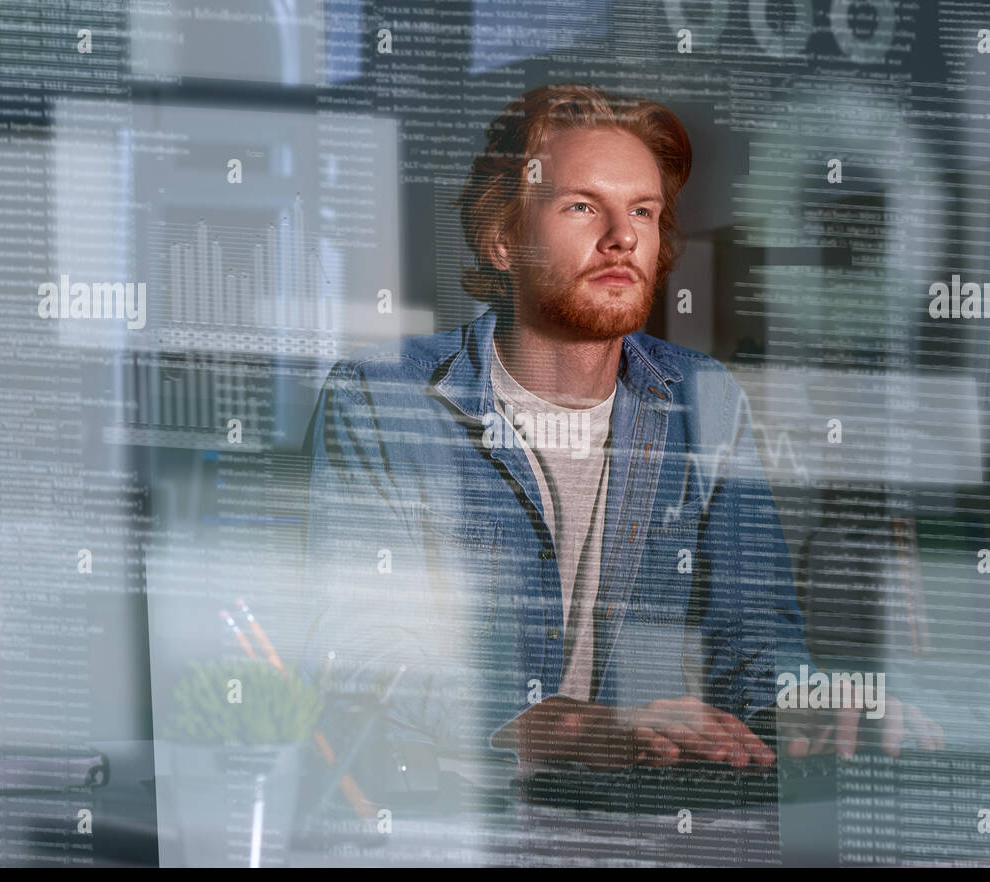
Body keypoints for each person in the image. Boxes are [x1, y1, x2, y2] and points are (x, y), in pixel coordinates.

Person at [305, 84, 942, 772]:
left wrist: (811, 703)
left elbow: (752, 639)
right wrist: (573, 728)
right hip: (449, 812)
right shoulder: (383, 397)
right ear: (502, 239)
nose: (624, 236)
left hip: (649, 812)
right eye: (583, 206)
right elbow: (364, 654)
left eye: (643, 210)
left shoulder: (705, 401)